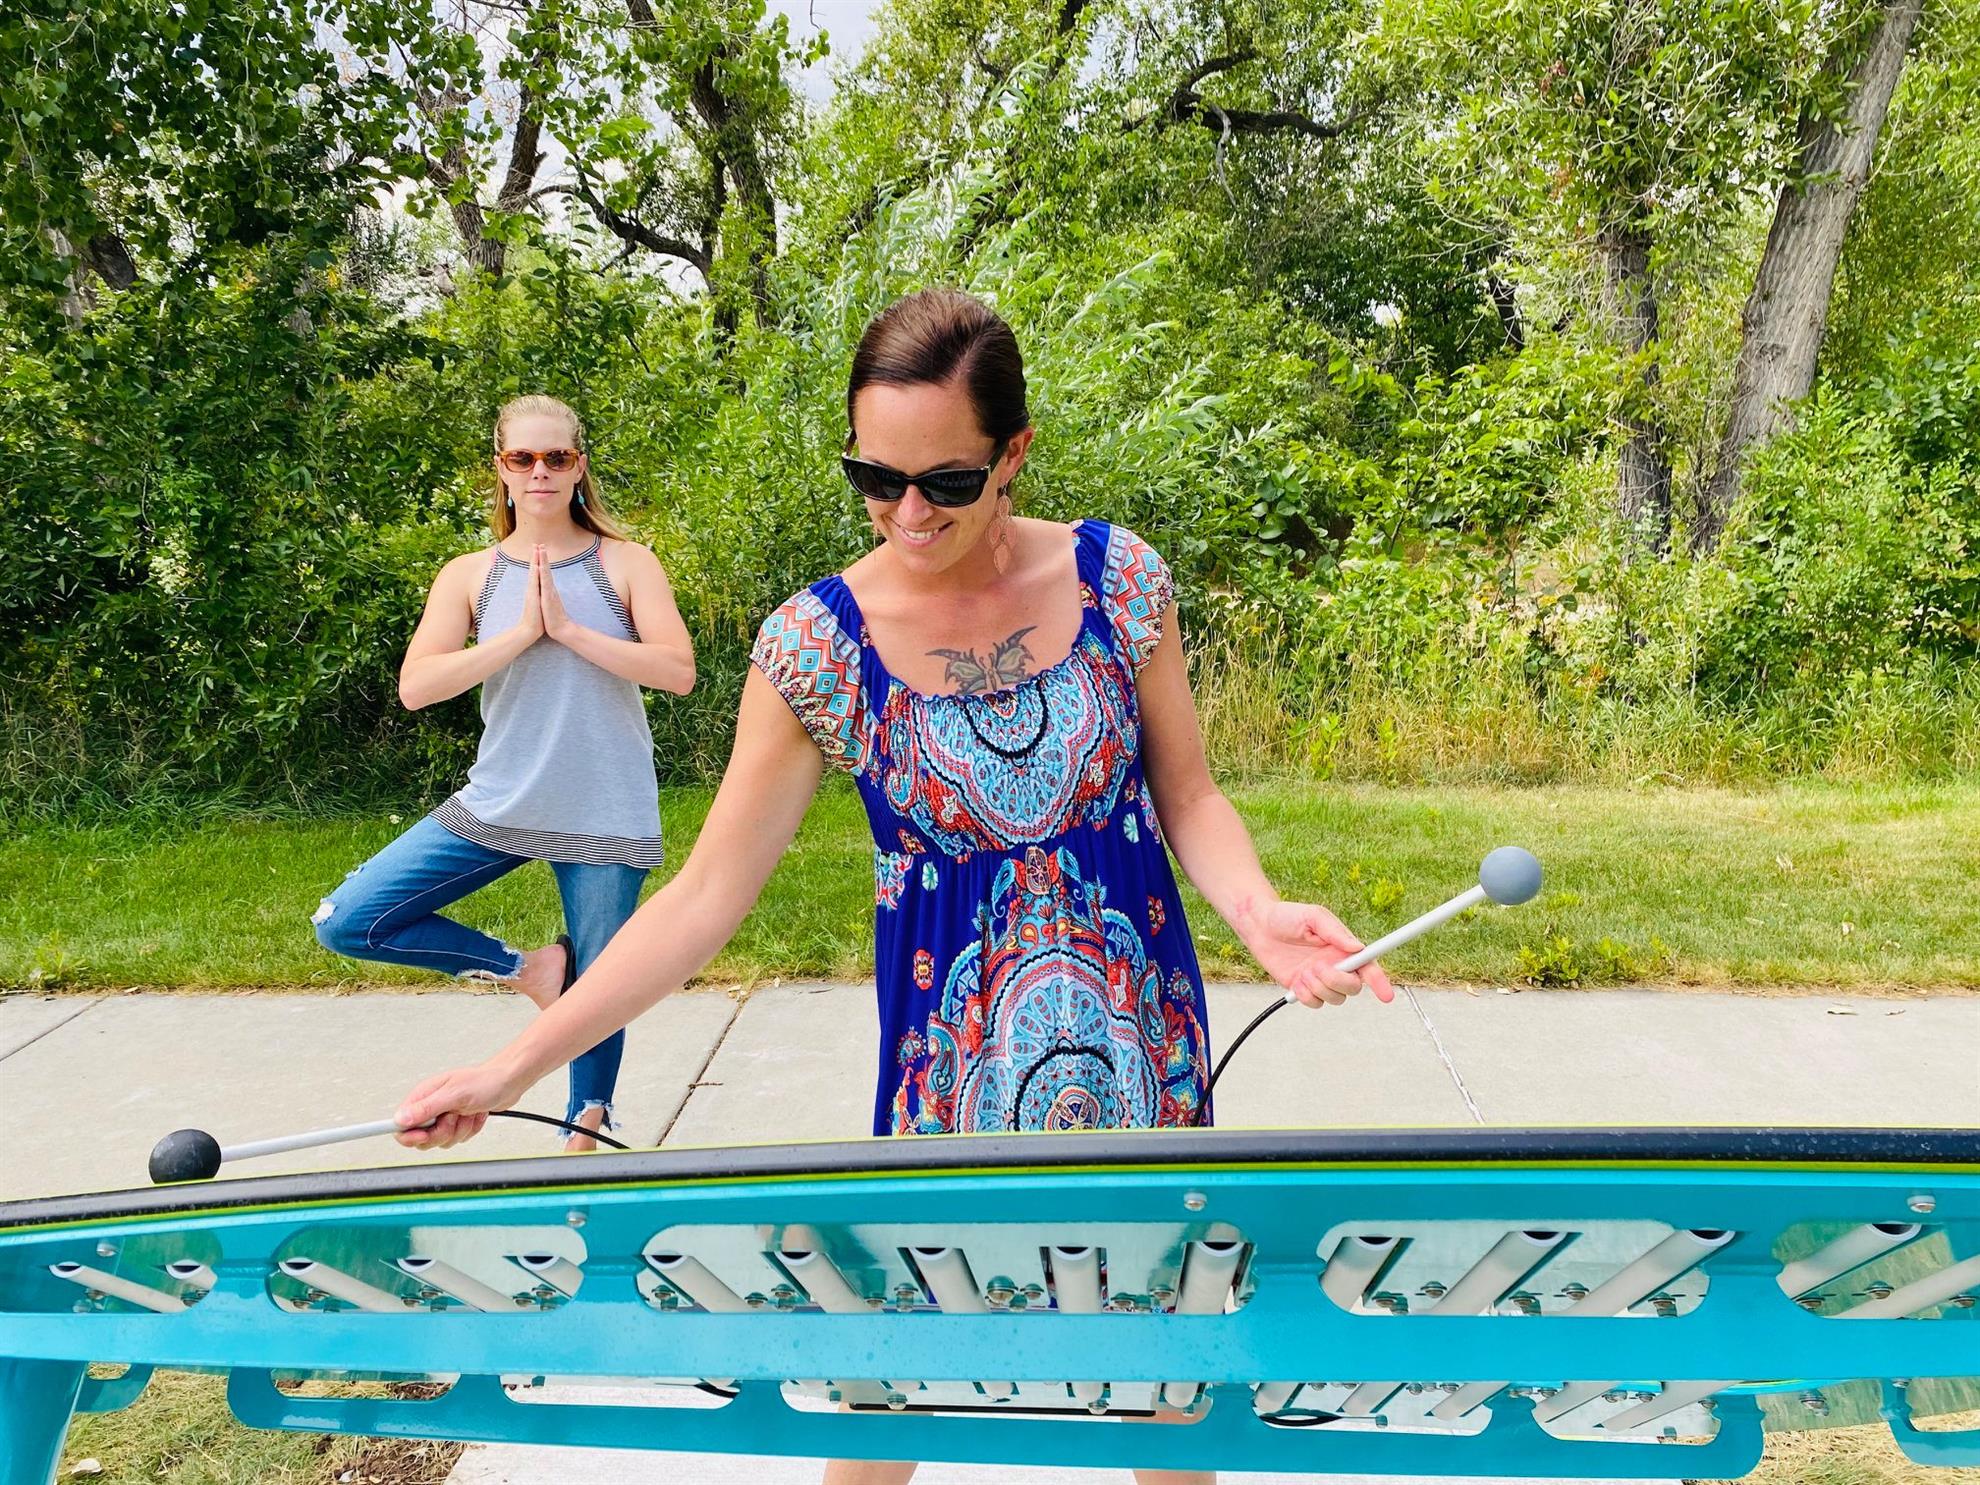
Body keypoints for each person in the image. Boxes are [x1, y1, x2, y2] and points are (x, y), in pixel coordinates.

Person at [390, 293, 1391, 1484]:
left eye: (947, 483)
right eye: (877, 476)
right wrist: (515, 1069)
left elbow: (1190, 797)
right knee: (888, 1395)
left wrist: (1260, 912)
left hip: (1144, 1053)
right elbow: (706, 895)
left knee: (1172, 1385)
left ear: (1012, 454)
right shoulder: (817, 645)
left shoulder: (1121, 581)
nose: (908, 513)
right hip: (945, 1078)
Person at [312, 393, 695, 1151]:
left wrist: (572, 631)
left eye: (557, 457)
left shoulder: (626, 561)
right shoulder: (470, 573)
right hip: (502, 800)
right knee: (349, 919)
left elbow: (677, 670)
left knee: (602, 989)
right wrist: (521, 633)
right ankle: (528, 968)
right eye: (524, 458)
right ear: (502, 468)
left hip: (604, 805)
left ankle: (586, 1130)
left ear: (579, 466)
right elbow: (418, 685)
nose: (542, 471)